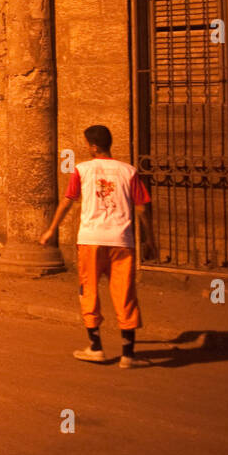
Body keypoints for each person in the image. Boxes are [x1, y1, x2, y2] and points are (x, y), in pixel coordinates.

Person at [39, 124, 153, 369]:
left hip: (90, 239)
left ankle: (96, 347)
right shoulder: (129, 171)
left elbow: (67, 202)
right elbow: (142, 208)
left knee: (88, 290)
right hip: (122, 240)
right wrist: (149, 239)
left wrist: (51, 229)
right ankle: (128, 354)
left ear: (92, 146)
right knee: (125, 294)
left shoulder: (82, 170)